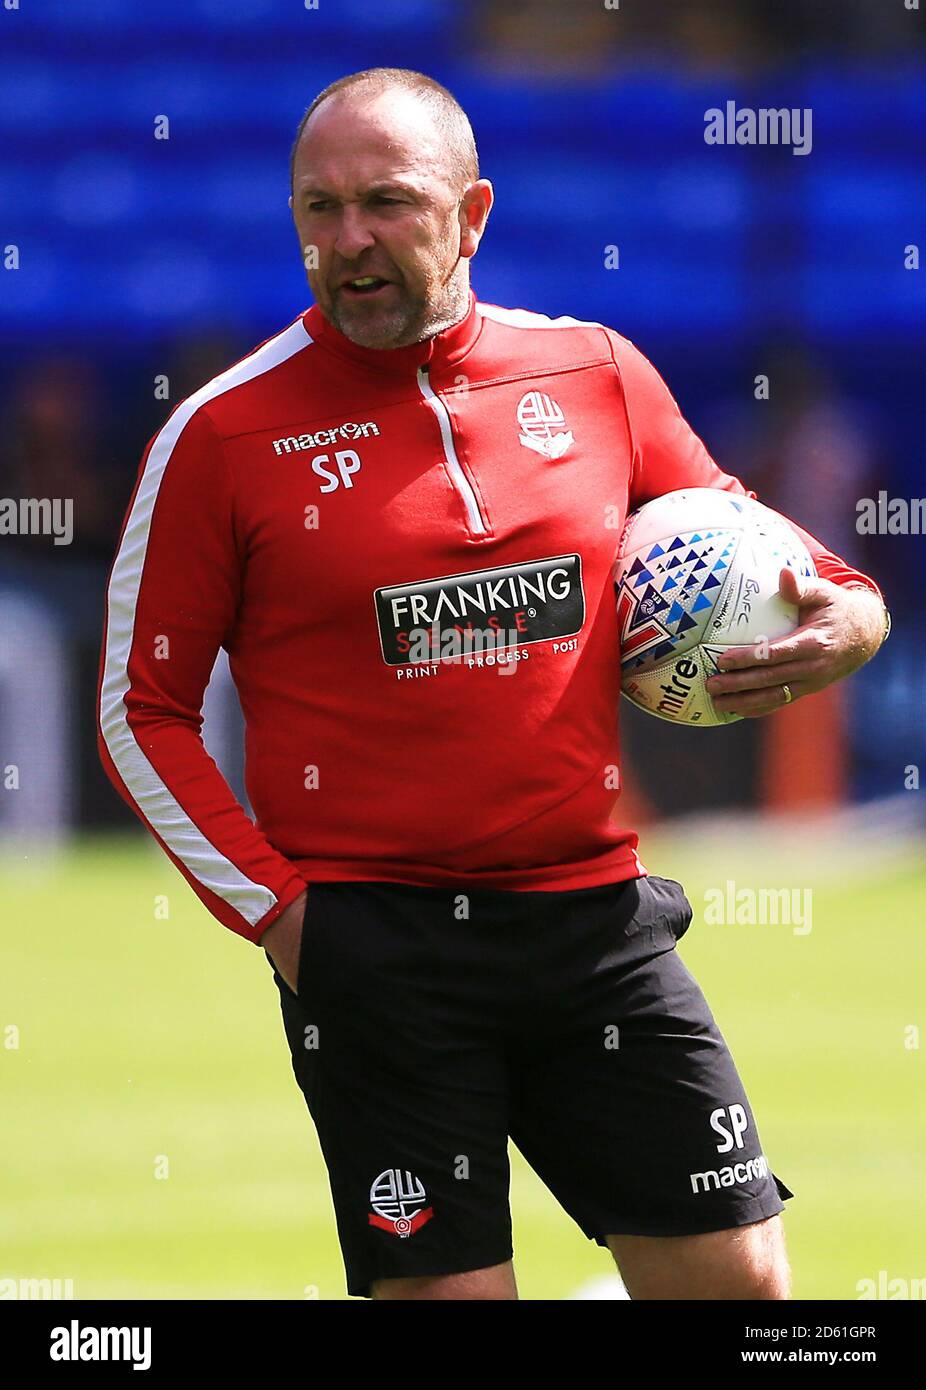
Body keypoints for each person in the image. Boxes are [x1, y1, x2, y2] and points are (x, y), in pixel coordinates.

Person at [97, 67, 889, 1301]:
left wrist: (851, 613)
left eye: (386, 204)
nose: (347, 240)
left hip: (591, 924)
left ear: (471, 215)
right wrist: (283, 916)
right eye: (319, 208)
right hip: (373, 947)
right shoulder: (219, 435)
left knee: (742, 1288)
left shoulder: (596, 375)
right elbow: (136, 712)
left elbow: (757, 540)